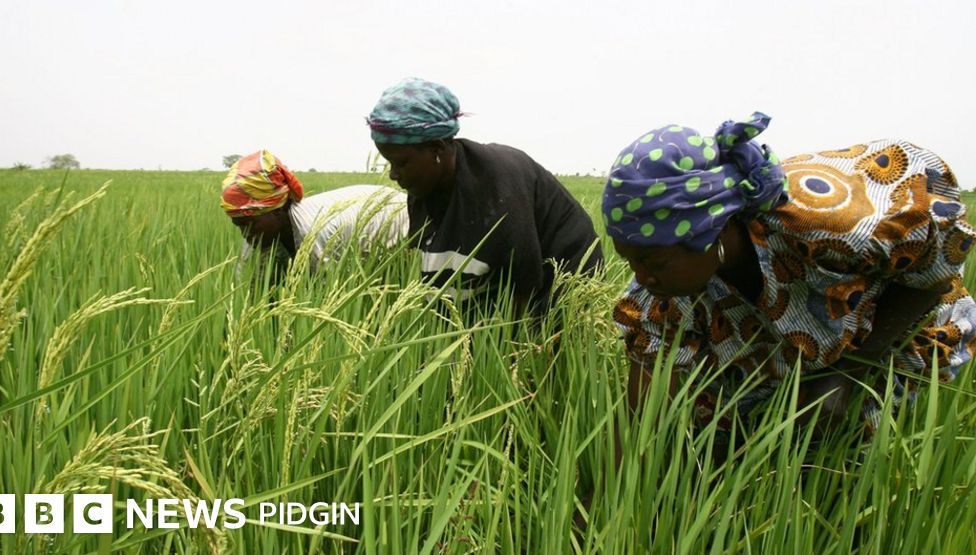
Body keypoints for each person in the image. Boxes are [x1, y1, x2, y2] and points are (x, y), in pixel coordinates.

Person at [602, 112, 976, 447]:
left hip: (892, 331)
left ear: (706, 232)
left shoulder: (831, 226)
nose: (640, 276)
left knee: (844, 442)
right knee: (714, 434)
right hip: (787, 352)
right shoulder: (657, 298)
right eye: (630, 260)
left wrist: (849, 372)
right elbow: (641, 417)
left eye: (651, 260)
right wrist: (606, 499)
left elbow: (930, 275)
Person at [365, 77, 603, 315]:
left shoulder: (499, 182)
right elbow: (432, 275)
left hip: (563, 274)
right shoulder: (422, 189)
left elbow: (524, 283)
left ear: (436, 148)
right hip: (504, 283)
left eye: (400, 163)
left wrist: (512, 347)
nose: (393, 175)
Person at [221, 149, 409, 282]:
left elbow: (333, 298)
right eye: (239, 226)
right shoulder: (255, 242)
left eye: (250, 224)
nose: (246, 234)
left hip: (394, 215)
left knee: (390, 281)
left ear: (277, 210)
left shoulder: (316, 236)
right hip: (360, 217)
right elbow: (249, 293)